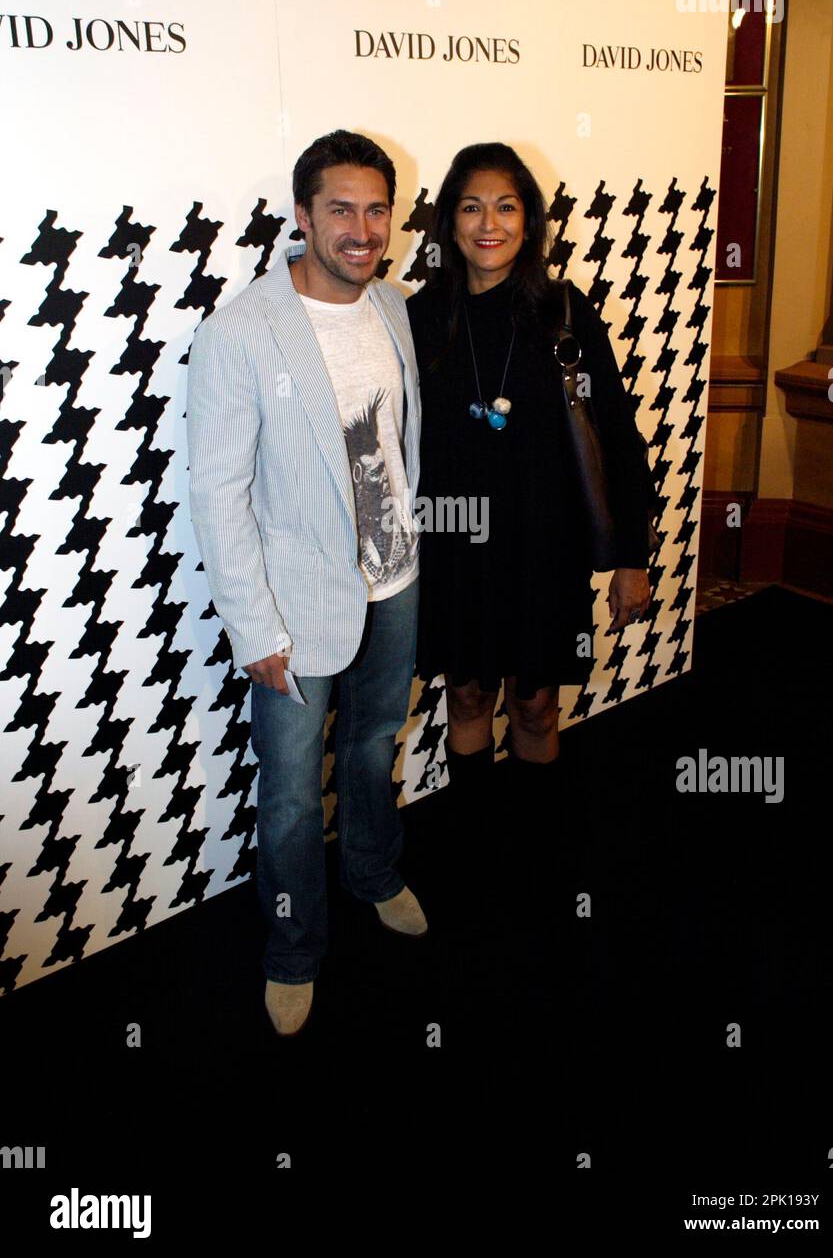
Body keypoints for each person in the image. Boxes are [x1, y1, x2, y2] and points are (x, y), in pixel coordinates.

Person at [186, 130, 425, 1038]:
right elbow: (218, 493)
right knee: (288, 793)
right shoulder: (242, 332)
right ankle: (293, 950)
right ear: (302, 215)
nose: (360, 230)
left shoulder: (393, 307)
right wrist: (257, 629)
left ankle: (374, 871)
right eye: (340, 209)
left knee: (375, 746)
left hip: (394, 582)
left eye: (375, 210)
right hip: (291, 608)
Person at [406, 142, 653, 843]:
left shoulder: (564, 314)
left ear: (529, 220)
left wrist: (630, 556)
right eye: (471, 206)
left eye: (506, 206)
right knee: (467, 694)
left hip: (545, 550)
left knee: (537, 705)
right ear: (449, 221)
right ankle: (476, 849)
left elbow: (616, 435)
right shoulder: (420, 319)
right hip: (453, 551)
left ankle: (532, 854)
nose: (489, 222)